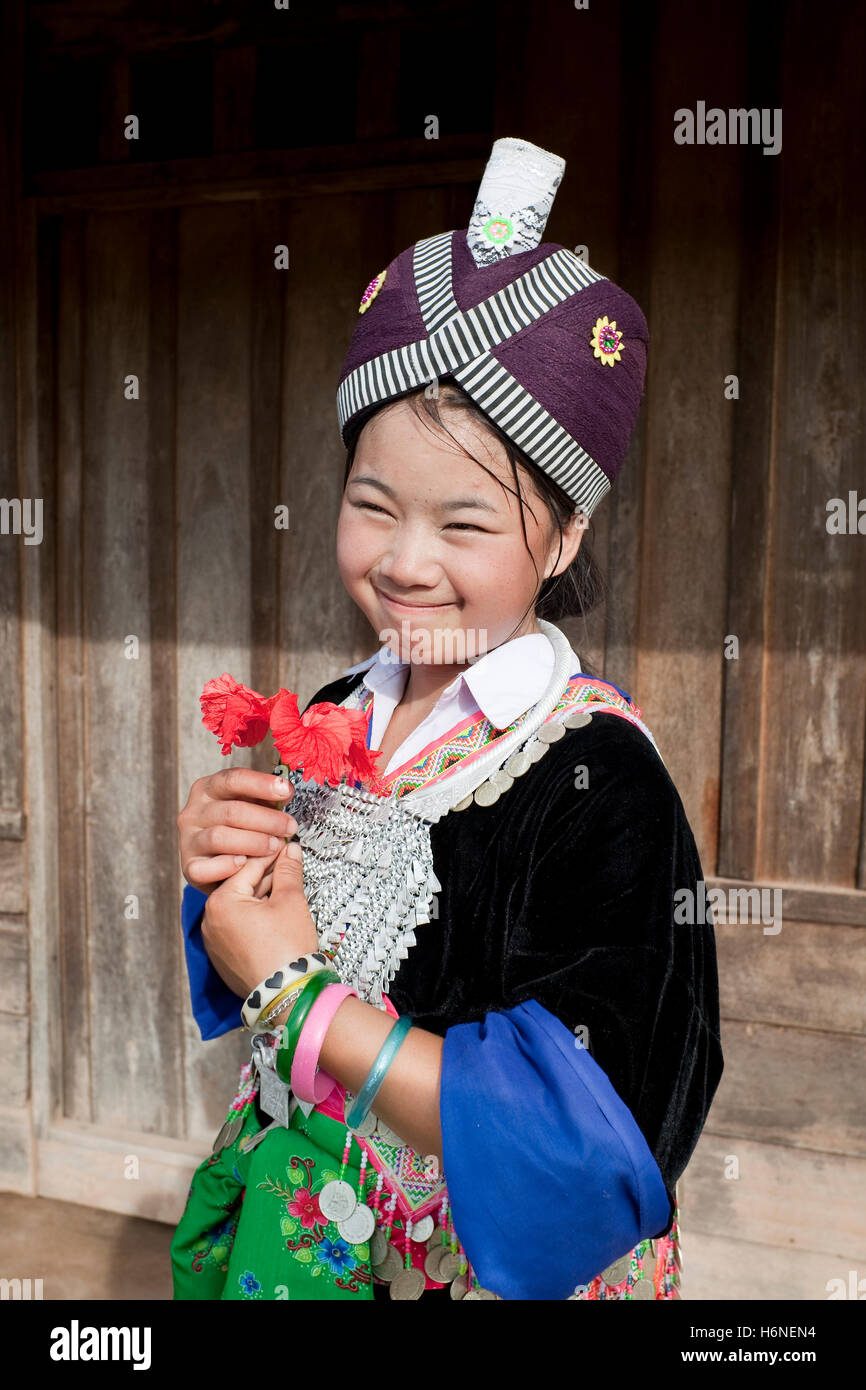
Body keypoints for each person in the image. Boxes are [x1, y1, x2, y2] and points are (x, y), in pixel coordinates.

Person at [171, 137, 723, 1302]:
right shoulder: (334, 711)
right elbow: (271, 938)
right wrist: (224, 864)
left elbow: (594, 1131)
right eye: (373, 507)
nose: (404, 564)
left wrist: (295, 997)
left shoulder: (597, 783)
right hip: (314, 1234)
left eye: (464, 526)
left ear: (563, 537)